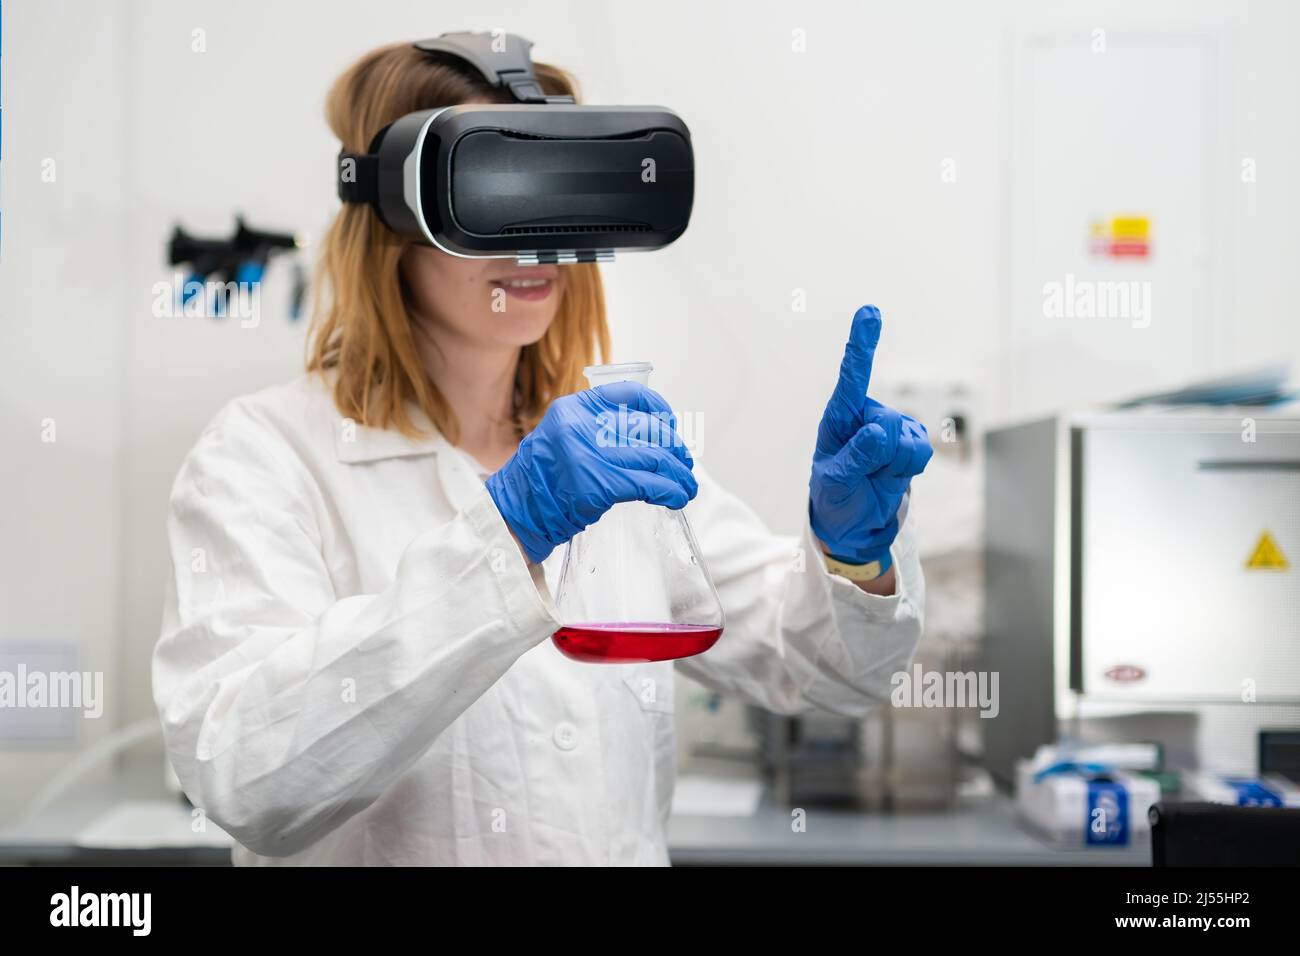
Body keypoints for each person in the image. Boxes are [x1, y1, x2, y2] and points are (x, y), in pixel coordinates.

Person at [152, 41, 933, 866]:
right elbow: (241, 779)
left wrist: (852, 559)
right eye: (493, 189)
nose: (533, 242)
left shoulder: (612, 449)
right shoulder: (263, 457)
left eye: (559, 187)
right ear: (390, 218)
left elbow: (828, 676)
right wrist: (507, 533)